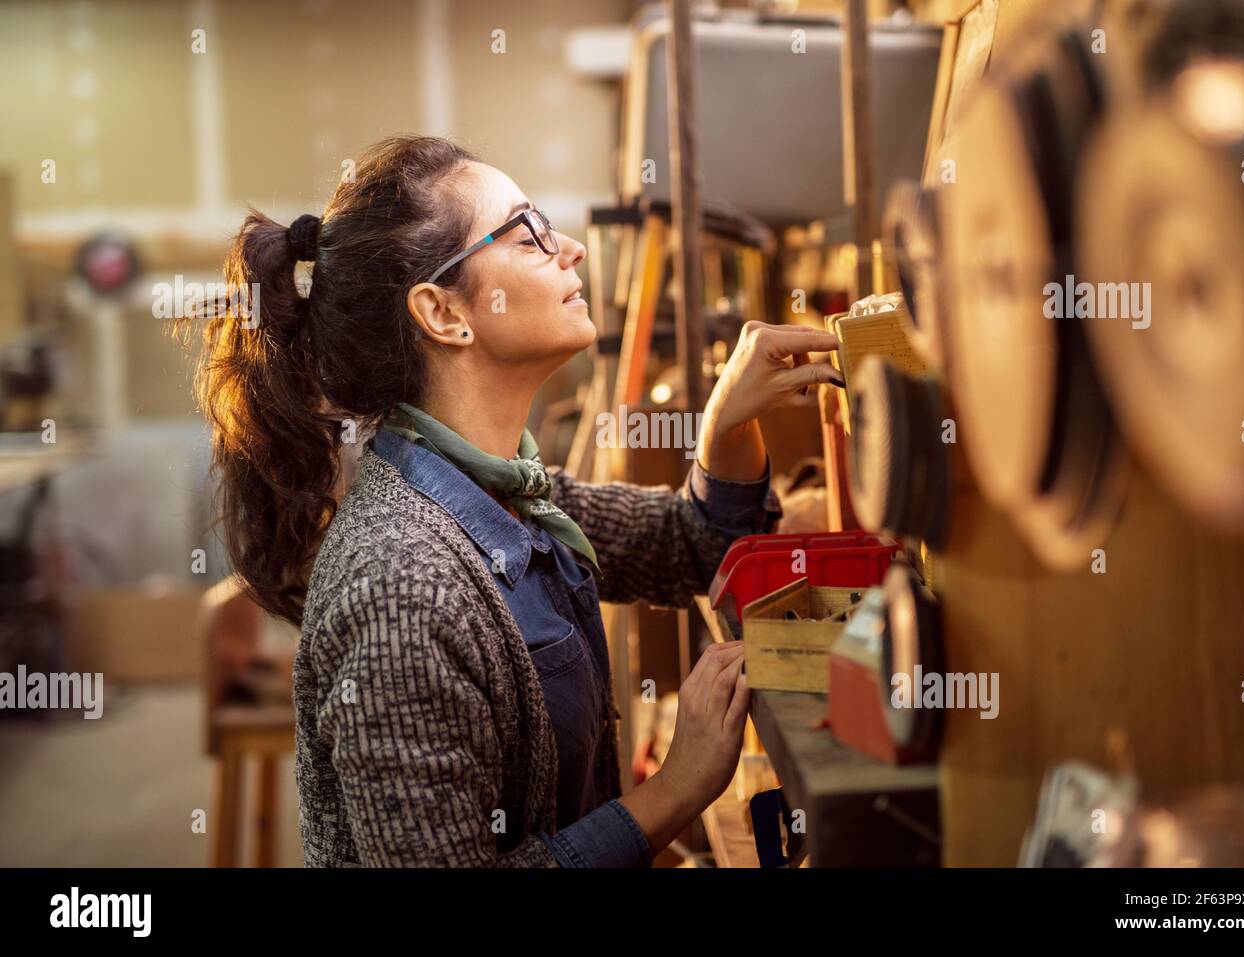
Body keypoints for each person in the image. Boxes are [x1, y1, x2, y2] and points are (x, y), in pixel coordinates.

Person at [193, 135, 842, 866]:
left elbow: (697, 546)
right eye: (527, 232)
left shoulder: (507, 493)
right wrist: (675, 789)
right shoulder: (404, 585)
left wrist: (726, 423)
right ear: (444, 312)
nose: (570, 249)